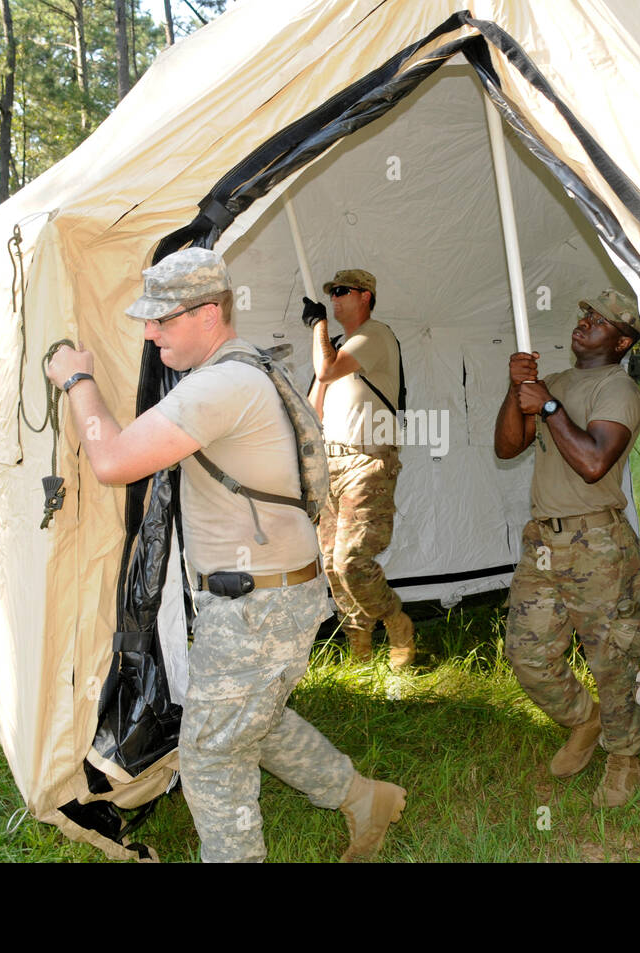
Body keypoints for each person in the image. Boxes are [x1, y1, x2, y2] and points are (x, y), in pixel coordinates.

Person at [44, 248, 406, 862]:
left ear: (209, 314)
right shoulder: (238, 370)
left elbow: (112, 461)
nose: (150, 331)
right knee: (250, 722)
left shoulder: (222, 384)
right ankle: (365, 800)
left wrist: (77, 380)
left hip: (257, 605)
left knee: (212, 756)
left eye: (163, 319)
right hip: (260, 598)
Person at [493, 288, 640, 808]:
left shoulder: (618, 389)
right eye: (585, 312)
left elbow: (593, 463)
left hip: (597, 541)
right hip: (543, 538)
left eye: (600, 320)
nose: (584, 322)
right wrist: (516, 389)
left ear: (624, 341)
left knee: (613, 657)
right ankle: (587, 723)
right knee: (526, 653)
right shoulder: (557, 382)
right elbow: (507, 447)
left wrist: (547, 405)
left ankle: (626, 757)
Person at [302, 269, 415, 668]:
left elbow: (326, 371)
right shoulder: (337, 347)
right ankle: (360, 649)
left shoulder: (375, 334)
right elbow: (314, 407)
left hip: (366, 461)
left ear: (366, 296)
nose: (334, 298)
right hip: (332, 463)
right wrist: (324, 337)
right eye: (331, 293)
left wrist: (316, 327)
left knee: (352, 559)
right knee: (332, 563)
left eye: (342, 291)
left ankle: (397, 622)